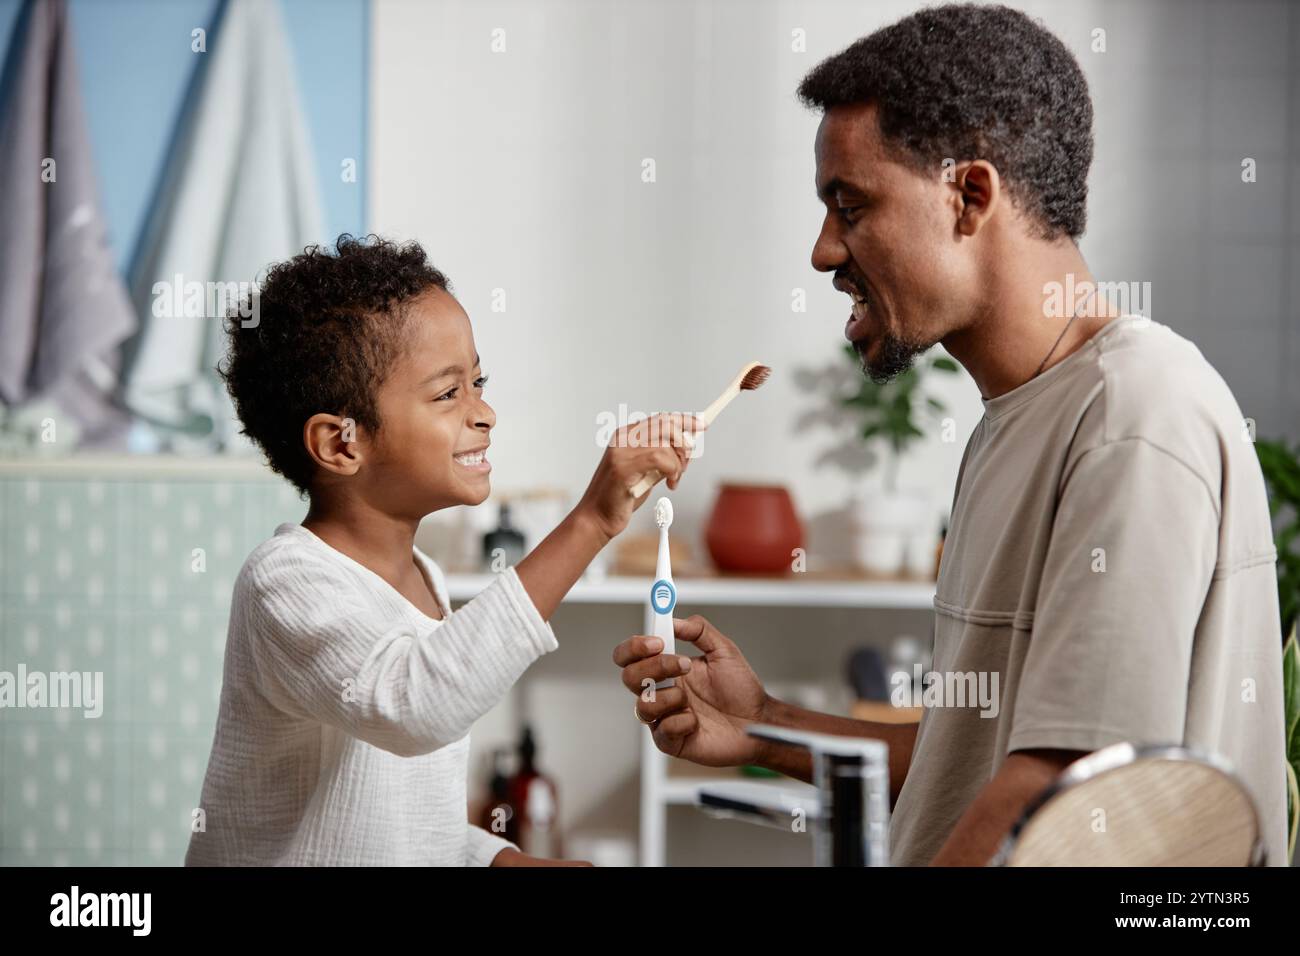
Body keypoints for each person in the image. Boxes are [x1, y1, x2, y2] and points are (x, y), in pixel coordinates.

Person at [613, 4, 1287, 866]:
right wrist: (764, 725)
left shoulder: (1134, 415)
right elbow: (982, 757)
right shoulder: (1019, 418)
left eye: (849, 205)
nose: (823, 252)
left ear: (969, 197)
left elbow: (1059, 791)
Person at [186, 235, 701, 865]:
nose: (484, 412)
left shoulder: (423, 577)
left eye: (479, 382)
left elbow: (400, 813)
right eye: (447, 393)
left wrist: (498, 860)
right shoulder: (285, 581)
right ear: (341, 443)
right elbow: (415, 706)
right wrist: (592, 519)